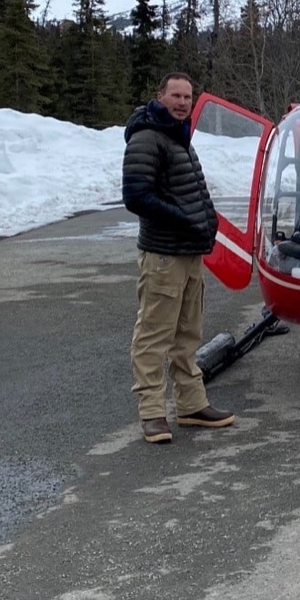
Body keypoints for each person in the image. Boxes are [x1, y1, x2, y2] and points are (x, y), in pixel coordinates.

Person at [121, 72, 236, 444]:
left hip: (189, 253)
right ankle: (152, 413)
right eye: (176, 95)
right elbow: (136, 196)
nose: (183, 102)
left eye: (187, 96)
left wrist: (206, 221)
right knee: (154, 335)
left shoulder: (178, 136)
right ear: (160, 96)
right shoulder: (148, 137)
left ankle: (190, 405)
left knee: (188, 335)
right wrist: (183, 218)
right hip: (163, 255)